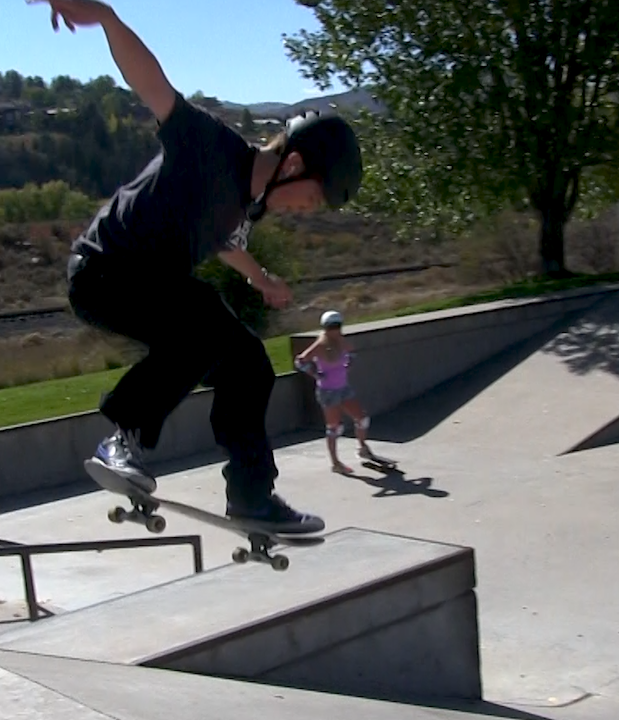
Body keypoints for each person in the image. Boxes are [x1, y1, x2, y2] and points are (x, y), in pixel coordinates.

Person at [33, 0, 364, 533]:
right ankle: (124, 439)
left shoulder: (245, 205)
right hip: (104, 271)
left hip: (150, 282)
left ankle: (253, 497)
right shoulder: (209, 146)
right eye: (312, 199)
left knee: (247, 363)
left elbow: (224, 242)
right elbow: (153, 86)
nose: (306, 211)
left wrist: (259, 278)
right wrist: (109, 19)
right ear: (294, 164)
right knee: (203, 324)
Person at [294, 311, 377, 473]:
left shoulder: (341, 342)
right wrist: (315, 373)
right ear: (325, 328)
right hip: (328, 392)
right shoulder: (320, 345)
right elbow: (300, 361)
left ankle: (362, 447)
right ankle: (336, 463)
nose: (335, 330)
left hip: (343, 388)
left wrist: (349, 363)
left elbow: (352, 353)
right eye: (331, 327)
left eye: (338, 326)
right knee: (334, 427)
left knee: (362, 418)